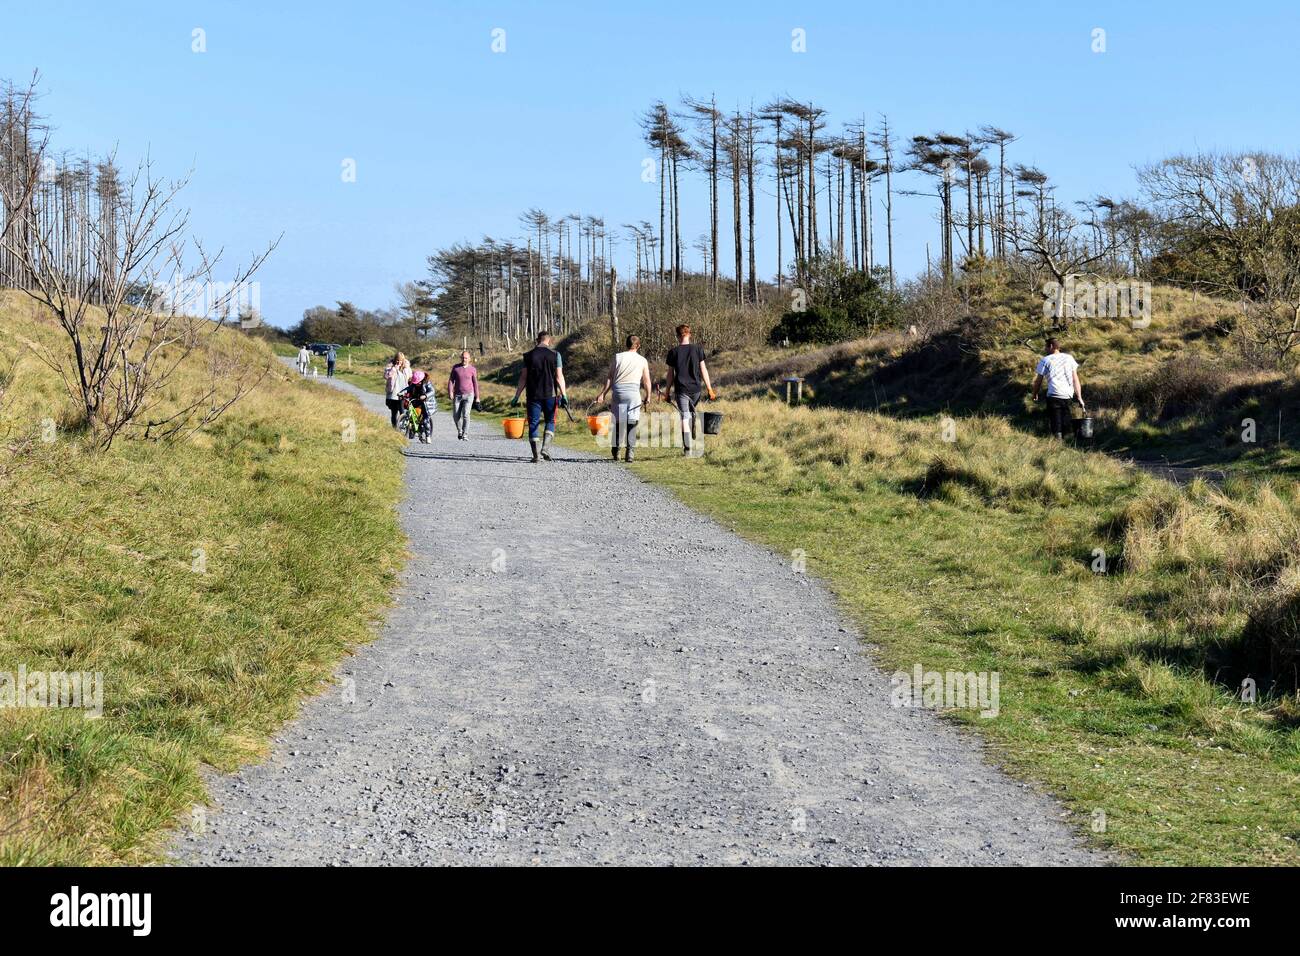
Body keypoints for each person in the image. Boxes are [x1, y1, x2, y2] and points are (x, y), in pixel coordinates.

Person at [511, 330, 568, 463]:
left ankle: (536, 455)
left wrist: (516, 396)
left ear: (537, 340)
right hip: (550, 395)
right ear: (549, 341)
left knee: (533, 423)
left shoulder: (528, 355)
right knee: (550, 421)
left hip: (533, 396)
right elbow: (559, 377)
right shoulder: (555, 355)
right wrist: (564, 395)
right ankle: (545, 449)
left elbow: (523, 378)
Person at [595, 334, 653, 462]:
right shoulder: (642, 360)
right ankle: (630, 453)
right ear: (638, 346)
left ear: (626, 344)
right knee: (632, 423)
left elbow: (610, 377)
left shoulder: (617, 357)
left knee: (619, 422)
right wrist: (648, 396)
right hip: (633, 394)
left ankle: (616, 451)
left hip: (619, 393)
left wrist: (603, 394)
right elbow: (647, 381)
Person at [663, 324, 716, 456]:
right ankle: (691, 427)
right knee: (689, 415)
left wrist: (667, 391)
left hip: (681, 390)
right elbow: (704, 370)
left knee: (684, 418)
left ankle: (687, 448)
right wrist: (709, 388)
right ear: (689, 334)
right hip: (696, 389)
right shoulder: (698, 349)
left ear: (677, 336)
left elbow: (670, 374)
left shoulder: (673, 352)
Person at [1032, 337, 1084, 440]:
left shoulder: (1045, 360)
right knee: (1065, 418)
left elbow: (1038, 380)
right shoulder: (1069, 358)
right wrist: (1079, 397)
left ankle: (1058, 441)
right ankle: (1067, 441)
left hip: (1054, 394)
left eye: (1046, 347)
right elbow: (1075, 379)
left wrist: (1035, 393)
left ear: (1051, 346)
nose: (1045, 349)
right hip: (1068, 394)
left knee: (1055, 419)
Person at [448, 350, 480, 441]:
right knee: (456, 416)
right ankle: (460, 431)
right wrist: (450, 391)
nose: (464, 359)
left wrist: (477, 397)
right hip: (457, 395)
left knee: (466, 414)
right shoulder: (455, 368)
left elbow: (475, 384)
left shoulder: (472, 369)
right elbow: (451, 381)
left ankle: (465, 434)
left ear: (469, 359)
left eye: (466, 358)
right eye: (462, 357)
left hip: (469, 394)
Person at [399, 369, 434, 442]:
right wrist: (401, 393)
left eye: (418, 382)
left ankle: (428, 436)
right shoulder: (414, 384)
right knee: (411, 414)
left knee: (425, 419)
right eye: (415, 382)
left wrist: (425, 396)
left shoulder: (427, 383)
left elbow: (432, 391)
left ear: (422, 380)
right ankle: (412, 429)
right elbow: (408, 388)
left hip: (425, 402)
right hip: (415, 400)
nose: (416, 384)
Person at [384, 352, 411, 429]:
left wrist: (406, 368)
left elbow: (409, 377)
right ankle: (394, 429)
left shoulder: (406, 368)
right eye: (397, 360)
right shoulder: (390, 367)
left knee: (402, 411)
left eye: (400, 361)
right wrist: (394, 369)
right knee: (394, 412)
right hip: (392, 394)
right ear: (395, 360)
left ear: (403, 361)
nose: (399, 362)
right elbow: (386, 376)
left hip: (402, 393)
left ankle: (404, 428)